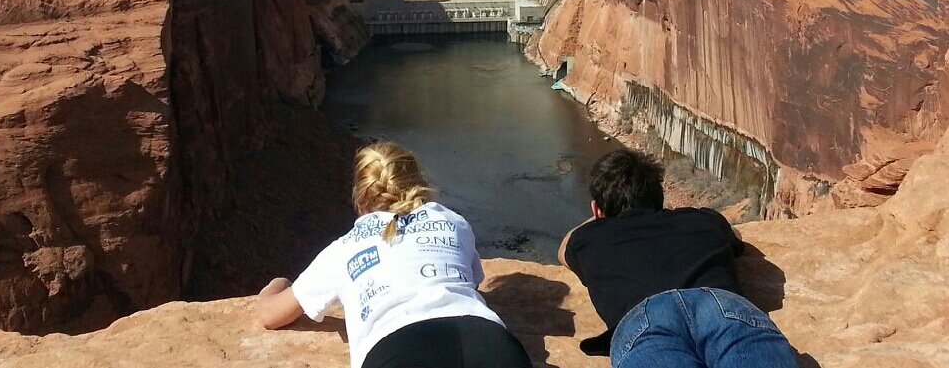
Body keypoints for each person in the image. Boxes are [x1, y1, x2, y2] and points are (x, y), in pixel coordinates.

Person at [257, 140, 532, 368]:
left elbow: (271, 315)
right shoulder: (452, 221)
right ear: (418, 182)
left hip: (398, 350)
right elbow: (471, 281)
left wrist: (278, 283)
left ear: (360, 199)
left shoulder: (343, 248)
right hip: (491, 344)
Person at [558, 147, 798, 368]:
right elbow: (735, 235)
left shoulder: (587, 238)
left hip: (645, 321)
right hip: (720, 305)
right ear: (659, 199)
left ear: (596, 210)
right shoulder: (703, 220)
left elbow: (563, 250)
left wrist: (599, 220)